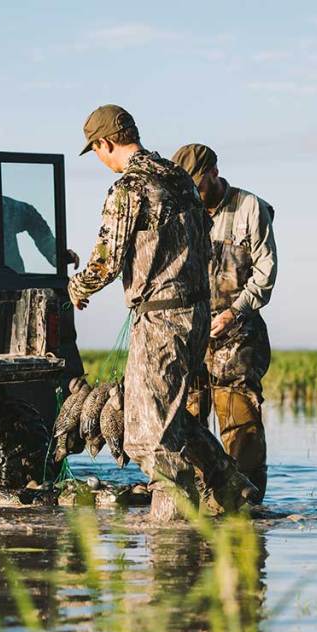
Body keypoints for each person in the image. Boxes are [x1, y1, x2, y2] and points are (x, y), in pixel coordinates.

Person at [68, 105, 241, 520]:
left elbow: (107, 261)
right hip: (196, 314)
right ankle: (232, 488)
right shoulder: (179, 177)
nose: (99, 159)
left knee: (146, 437)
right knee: (171, 418)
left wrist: (77, 288)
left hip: (161, 320)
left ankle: (173, 529)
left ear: (105, 143)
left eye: (96, 150)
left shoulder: (130, 187)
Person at [172, 143, 277, 500]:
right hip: (192, 331)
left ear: (214, 173)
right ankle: (200, 500)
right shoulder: (180, 209)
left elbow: (265, 273)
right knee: (187, 415)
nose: (193, 192)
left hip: (239, 332)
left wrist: (235, 312)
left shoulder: (250, 207)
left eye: (197, 184)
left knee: (240, 417)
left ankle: (247, 502)